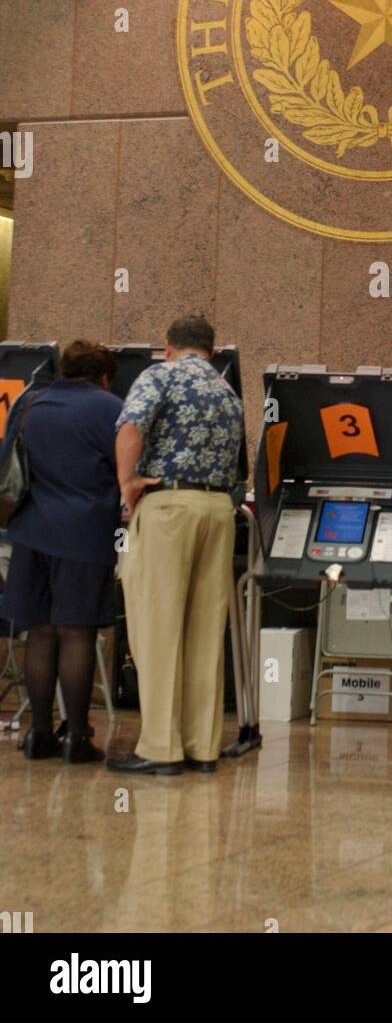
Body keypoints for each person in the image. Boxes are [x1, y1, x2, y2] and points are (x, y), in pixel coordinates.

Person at [107, 315, 243, 777]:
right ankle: (201, 746)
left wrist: (127, 483)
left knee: (159, 626)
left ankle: (161, 748)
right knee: (206, 629)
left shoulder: (159, 375)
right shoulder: (229, 392)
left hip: (169, 507)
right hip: (219, 511)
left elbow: (130, 427)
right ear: (211, 348)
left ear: (168, 346)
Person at [0, 340, 122, 764]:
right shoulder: (110, 409)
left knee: (40, 631)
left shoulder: (30, 403)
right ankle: (76, 737)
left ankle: (39, 734)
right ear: (104, 376)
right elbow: (125, 468)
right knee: (77, 632)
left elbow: (7, 464)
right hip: (85, 534)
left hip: (32, 531)